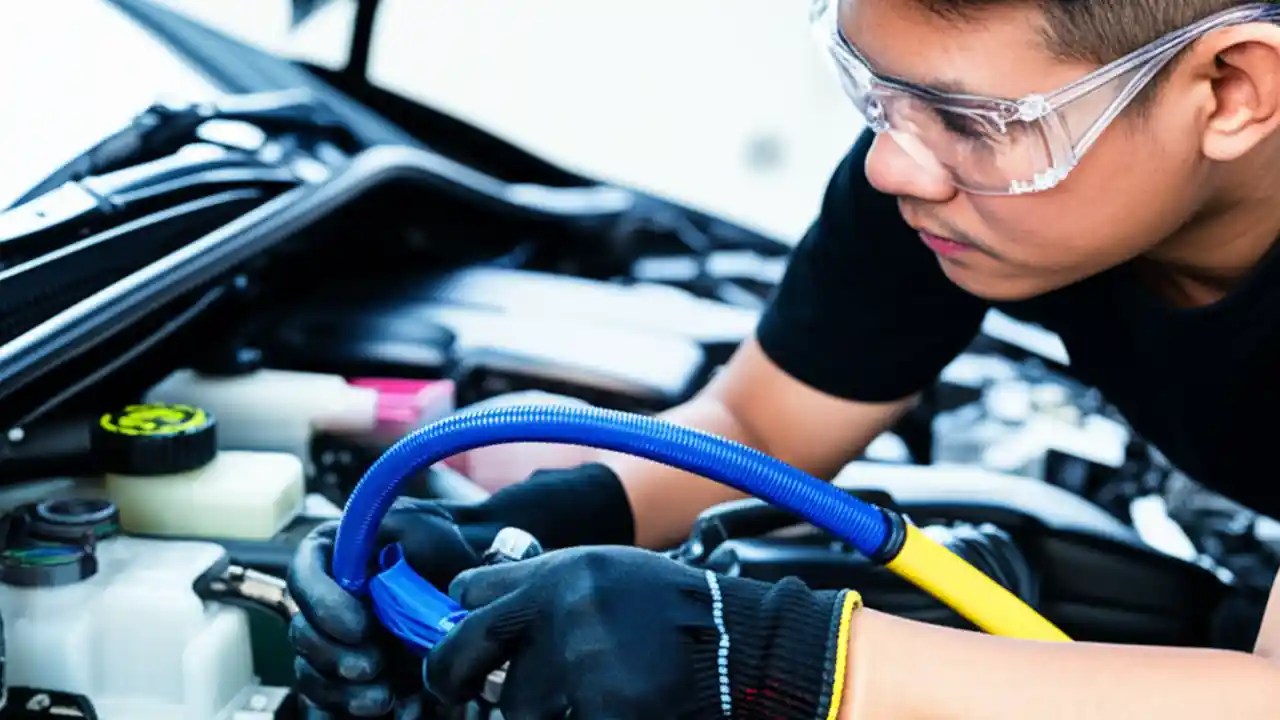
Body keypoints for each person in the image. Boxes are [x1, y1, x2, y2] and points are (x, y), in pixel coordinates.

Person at [286, 0, 1280, 717]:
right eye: (873, 91)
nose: (892, 164)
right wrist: (524, 532)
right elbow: (760, 425)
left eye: (970, 120)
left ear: (1231, 91)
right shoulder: (958, 191)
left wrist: (775, 657)